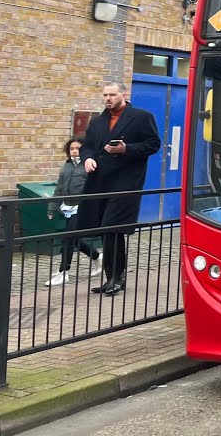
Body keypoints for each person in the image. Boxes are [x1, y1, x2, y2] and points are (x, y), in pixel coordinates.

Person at [80, 82, 161, 296]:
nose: (108, 98)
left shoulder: (142, 117)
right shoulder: (98, 121)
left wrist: (127, 149)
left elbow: (153, 144)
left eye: (112, 94)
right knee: (107, 230)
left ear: (123, 94)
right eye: (105, 95)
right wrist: (87, 158)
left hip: (126, 182)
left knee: (113, 226)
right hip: (101, 181)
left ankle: (117, 277)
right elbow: (86, 145)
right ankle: (113, 278)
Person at [45, 138, 103, 286]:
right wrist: (52, 207)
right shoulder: (67, 166)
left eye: (78, 148)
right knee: (75, 239)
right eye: (72, 148)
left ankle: (63, 272)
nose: (75, 151)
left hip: (81, 207)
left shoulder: (89, 165)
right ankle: (97, 257)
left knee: (68, 239)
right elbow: (59, 188)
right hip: (67, 206)